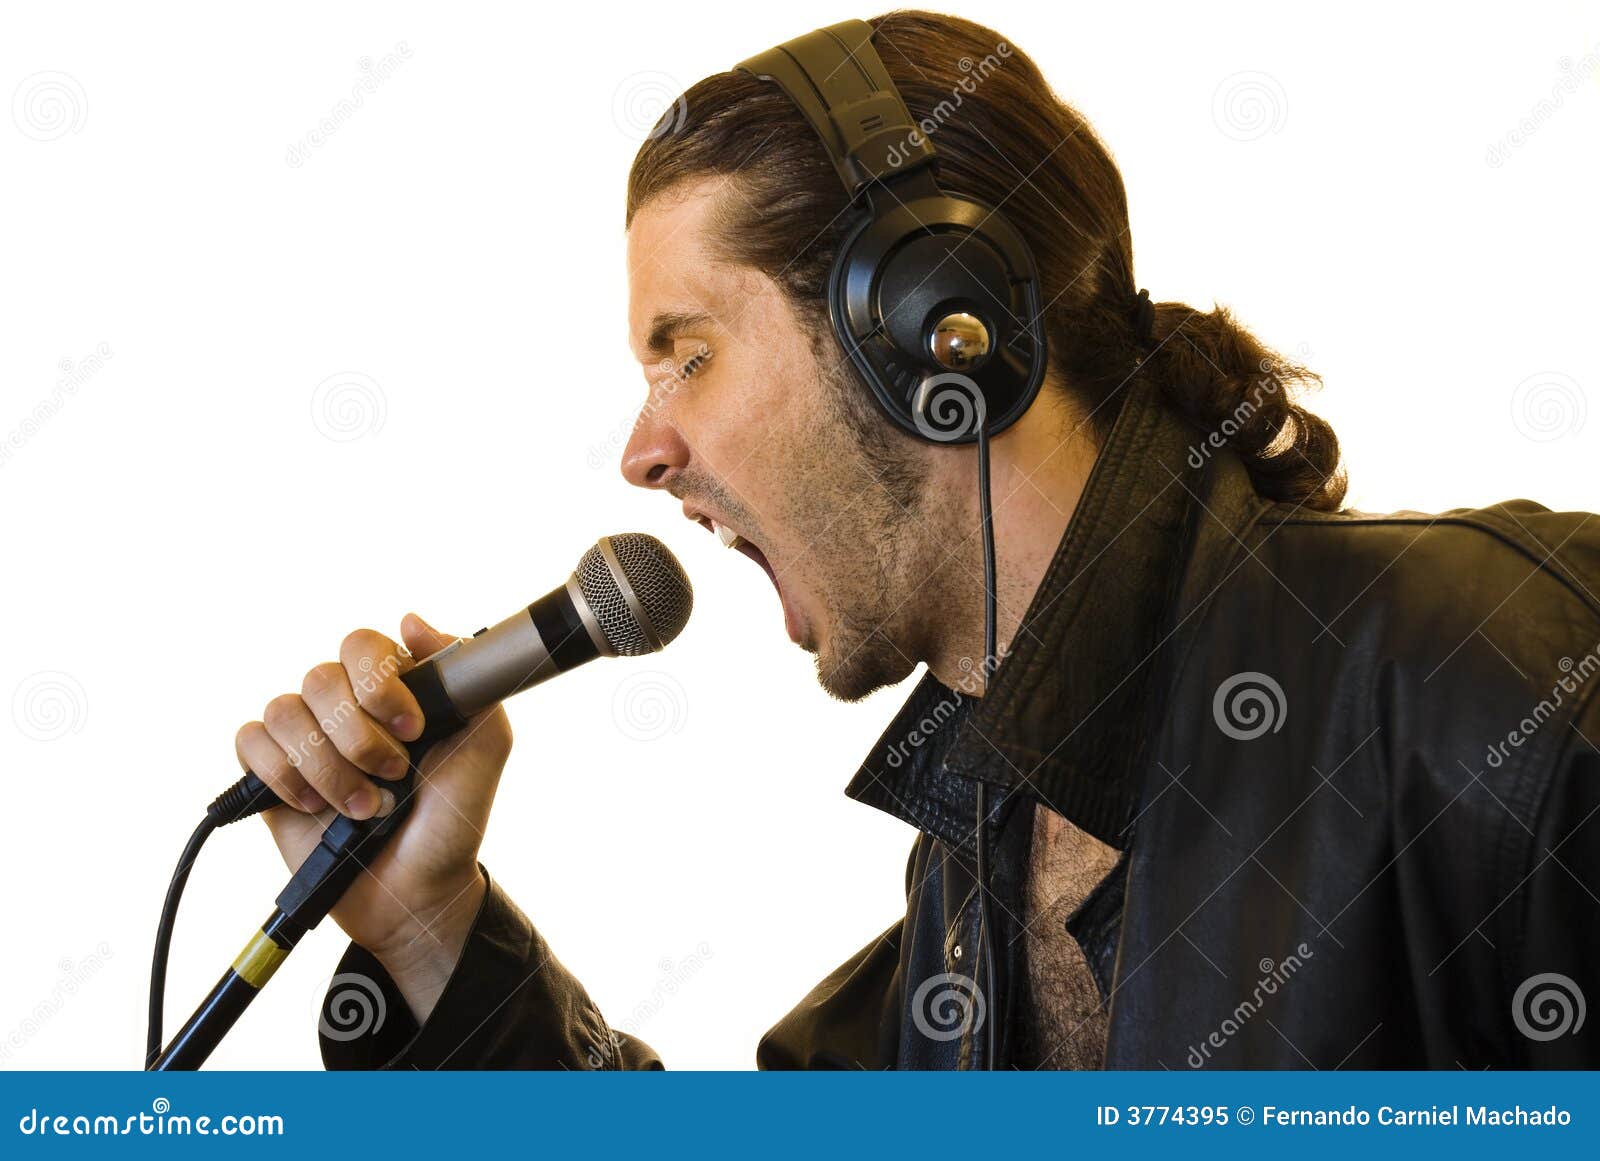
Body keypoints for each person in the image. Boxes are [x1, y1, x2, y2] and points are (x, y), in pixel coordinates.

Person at [234, 11, 1600, 1069]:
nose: (644, 454)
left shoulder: (1497, 669)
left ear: (932, 325)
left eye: (686, 353)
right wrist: (425, 916)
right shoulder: (972, 887)